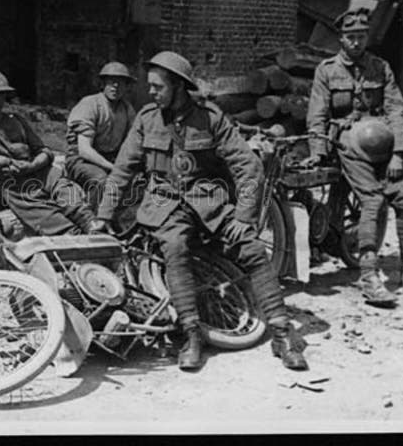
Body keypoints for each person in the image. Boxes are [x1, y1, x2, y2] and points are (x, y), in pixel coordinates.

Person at [90, 51, 308, 372]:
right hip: (164, 204)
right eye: (150, 86)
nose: (151, 92)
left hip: (209, 203)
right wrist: (104, 216)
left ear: (179, 86)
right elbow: (122, 171)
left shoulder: (211, 118)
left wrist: (243, 216)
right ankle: (191, 334)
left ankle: (281, 332)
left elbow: (248, 166)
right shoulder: (147, 119)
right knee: (175, 248)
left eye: (158, 87)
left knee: (251, 248)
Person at [304, 6, 403, 306]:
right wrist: (318, 151)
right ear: (341, 39)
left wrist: (399, 154)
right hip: (348, 144)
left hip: (381, 143)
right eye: (351, 37)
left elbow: (396, 111)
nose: (356, 42)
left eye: (361, 36)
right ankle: (369, 275)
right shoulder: (326, 70)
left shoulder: (380, 67)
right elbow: (317, 115)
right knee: (372, 199)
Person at [0, 70, 94, 236]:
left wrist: (33, 165)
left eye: (0, 96)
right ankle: (71, 233)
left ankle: (89, 222)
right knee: (33, 205)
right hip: (6, 180)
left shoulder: (16, 120)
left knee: (59, 181)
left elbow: (44, 151)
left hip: (32, 170)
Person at [65, 61, 138, 210]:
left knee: (137, 181)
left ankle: (120, 218)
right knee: (102, 180)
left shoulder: (127, 108)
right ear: (103, 84)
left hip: (111, 158)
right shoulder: (90, 104)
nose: (115, 86)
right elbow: (84, 150)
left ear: (127, 86)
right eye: (111, 81)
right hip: (81, 160)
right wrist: (113, 168)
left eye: (121, 82)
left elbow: (134, 142)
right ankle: (91, 217)